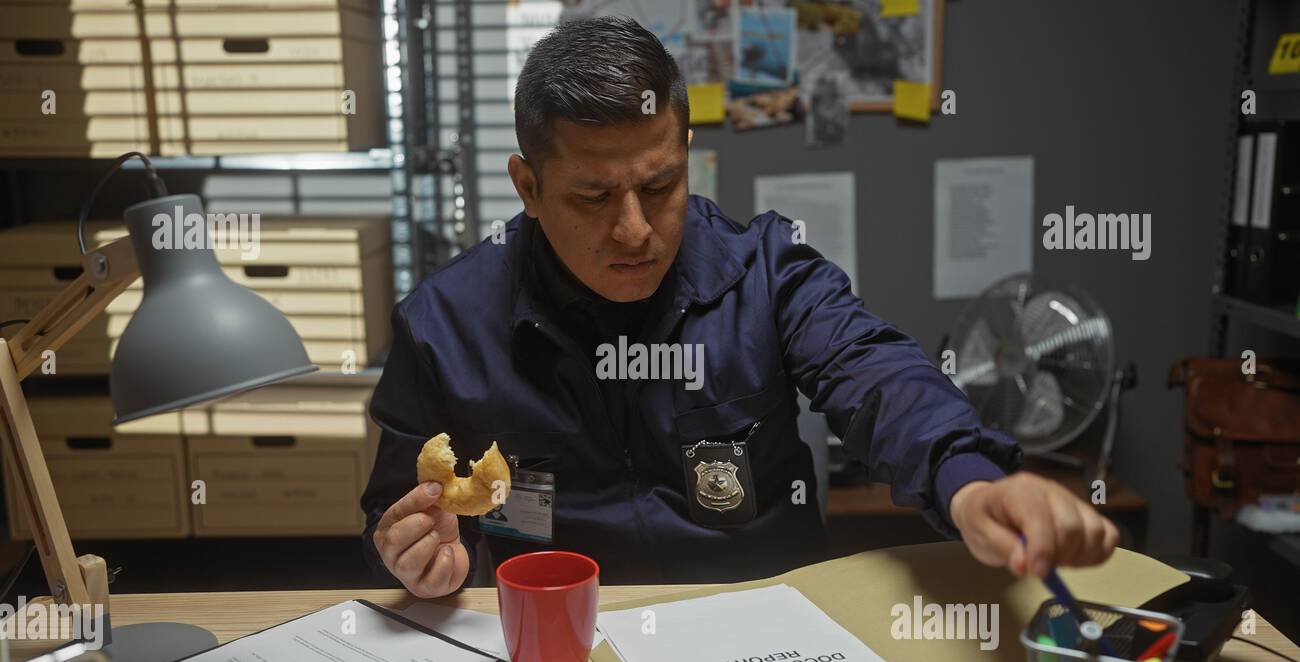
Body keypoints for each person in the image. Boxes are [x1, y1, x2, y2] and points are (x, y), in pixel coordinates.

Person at [359, 16, 1118, 598]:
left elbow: (876, 373)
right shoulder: (444, 324)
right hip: (563, 645)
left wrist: (973, 478)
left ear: (685, 150)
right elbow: (397, 510)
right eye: (593, 196)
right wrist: (413, 554)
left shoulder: (765, 270)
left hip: (767, 634)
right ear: (527, 188)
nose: (634, 231)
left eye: (659, 186)